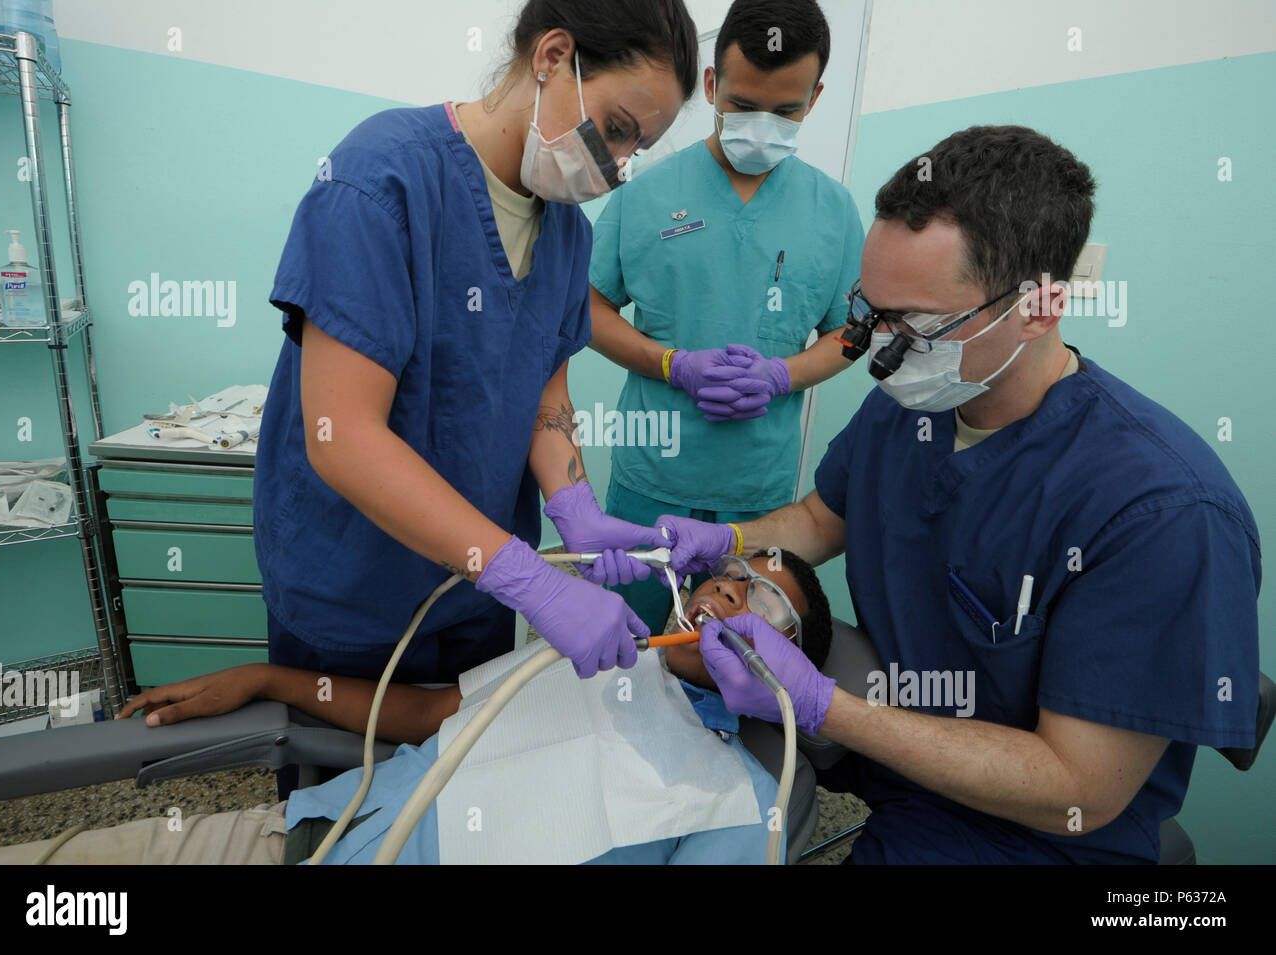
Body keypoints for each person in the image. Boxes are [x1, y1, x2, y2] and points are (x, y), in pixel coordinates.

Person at [656, 125, 1262, 864]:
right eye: (869, 311)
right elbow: (821, 516)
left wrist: (825, 707)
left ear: (1037, 308)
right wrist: (728, 542)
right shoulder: (914, 403)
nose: (878, 351)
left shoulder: (1162, 511)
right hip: (897, 749)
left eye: (911, 324)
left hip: (1025, 832)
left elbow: (1079, 787)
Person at [252, 1, 698, 802]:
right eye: (620, 126)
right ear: (554, 57)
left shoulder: (565, 231)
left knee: (455, 801)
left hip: (473, 596)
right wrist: (531, 578)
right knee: (344, 812)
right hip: (355, 590)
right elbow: (341, 436)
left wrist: (576, 508)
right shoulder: (378, 180)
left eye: (640, 146)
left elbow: (542, 384)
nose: (621, 162)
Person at [0, 551, 831, 865]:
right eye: (734, 576)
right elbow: (427, 714)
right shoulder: (586, 651)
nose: (731, 598)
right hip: (301, 839)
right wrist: (273, 681)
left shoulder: (735, 801)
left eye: (767, 605)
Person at [587, 0, 865, 634]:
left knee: (726, 657)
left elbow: (853, 332)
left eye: (786, 110)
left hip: (760, 497)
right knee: (627, 648)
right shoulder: (644, 192)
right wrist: (672, 365)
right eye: (742, 105)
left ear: (815, 98)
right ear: (711, 85)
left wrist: (781, 376)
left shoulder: (832, 210)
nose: (761, 125)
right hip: (650, 476)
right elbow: (588, 306)